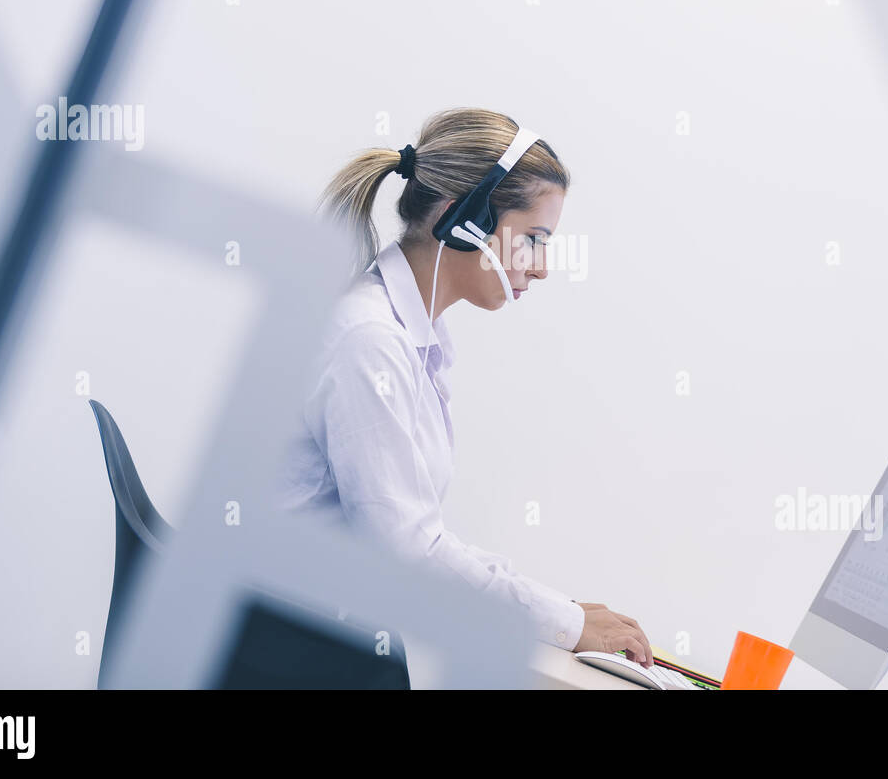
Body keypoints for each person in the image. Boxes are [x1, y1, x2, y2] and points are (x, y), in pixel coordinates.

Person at [280, 107, 653, 667]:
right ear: (463, 221)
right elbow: (406, 554)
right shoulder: (371, 340)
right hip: (287, 649)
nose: (543, 267)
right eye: (533, 238)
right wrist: (564, 623)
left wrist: (560, 613)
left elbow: (421, 539)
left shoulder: (413, 337)